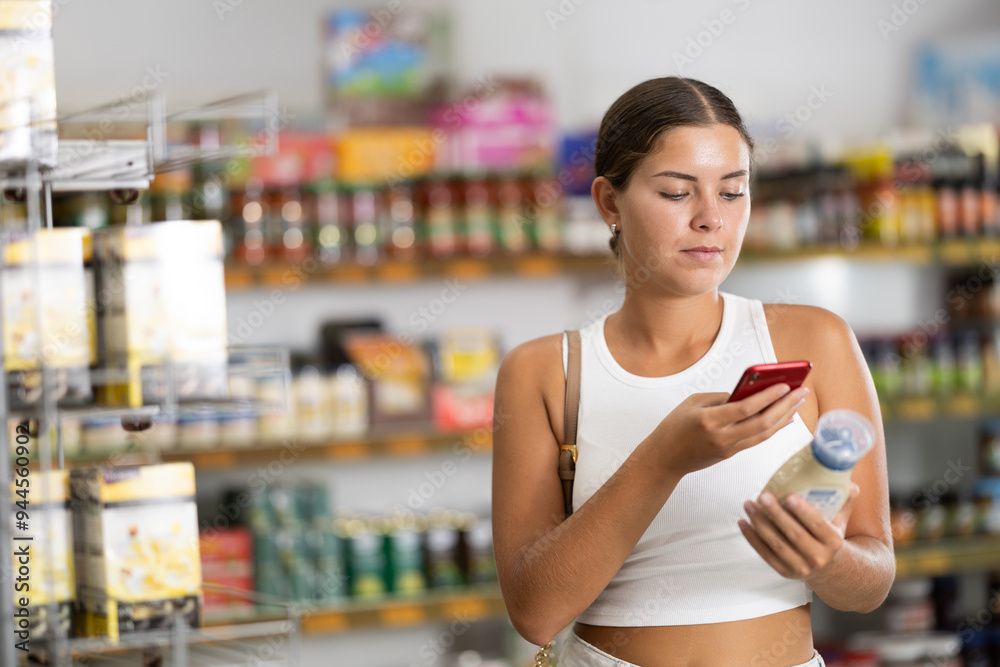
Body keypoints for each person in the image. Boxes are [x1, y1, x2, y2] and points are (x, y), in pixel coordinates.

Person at [491, 77, 894, 667]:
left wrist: (826, 559)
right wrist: (665, 458)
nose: (711, 218)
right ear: (609, 203)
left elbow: (873, 581)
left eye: (732, 191)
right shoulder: (546, 372)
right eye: (677, 193)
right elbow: (534, 614)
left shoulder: (815, 341)